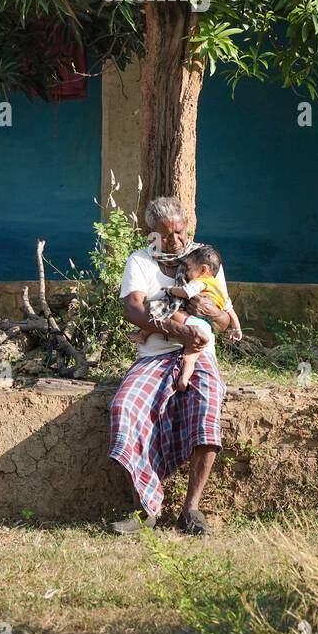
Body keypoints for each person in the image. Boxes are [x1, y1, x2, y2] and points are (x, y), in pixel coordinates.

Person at [108, 197, 233, 536]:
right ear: (151, 235)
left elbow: (223, 320)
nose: (174, 240)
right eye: (165, 234)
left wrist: (207, 312)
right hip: (154, 354)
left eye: (179, 231)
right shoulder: (140, 262)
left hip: (198, 350)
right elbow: (133, 310)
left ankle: (191, 509)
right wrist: (173, 328)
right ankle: (144, 508)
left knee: (206, 408)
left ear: (186, 226)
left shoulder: (205, 261)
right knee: (125, 406)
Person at [131, 244, 243, 392]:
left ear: (203, 270)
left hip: (193, 323)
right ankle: (184, 379)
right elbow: (231, 312)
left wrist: (171, 290)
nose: (187, 272)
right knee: (190, 357)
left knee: (161, 310)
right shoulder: (220, 289)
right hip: (206, 328)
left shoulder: (202, 282)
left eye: (189, 268)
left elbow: (186, 291)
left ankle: (143, 334)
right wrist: (237, 329)